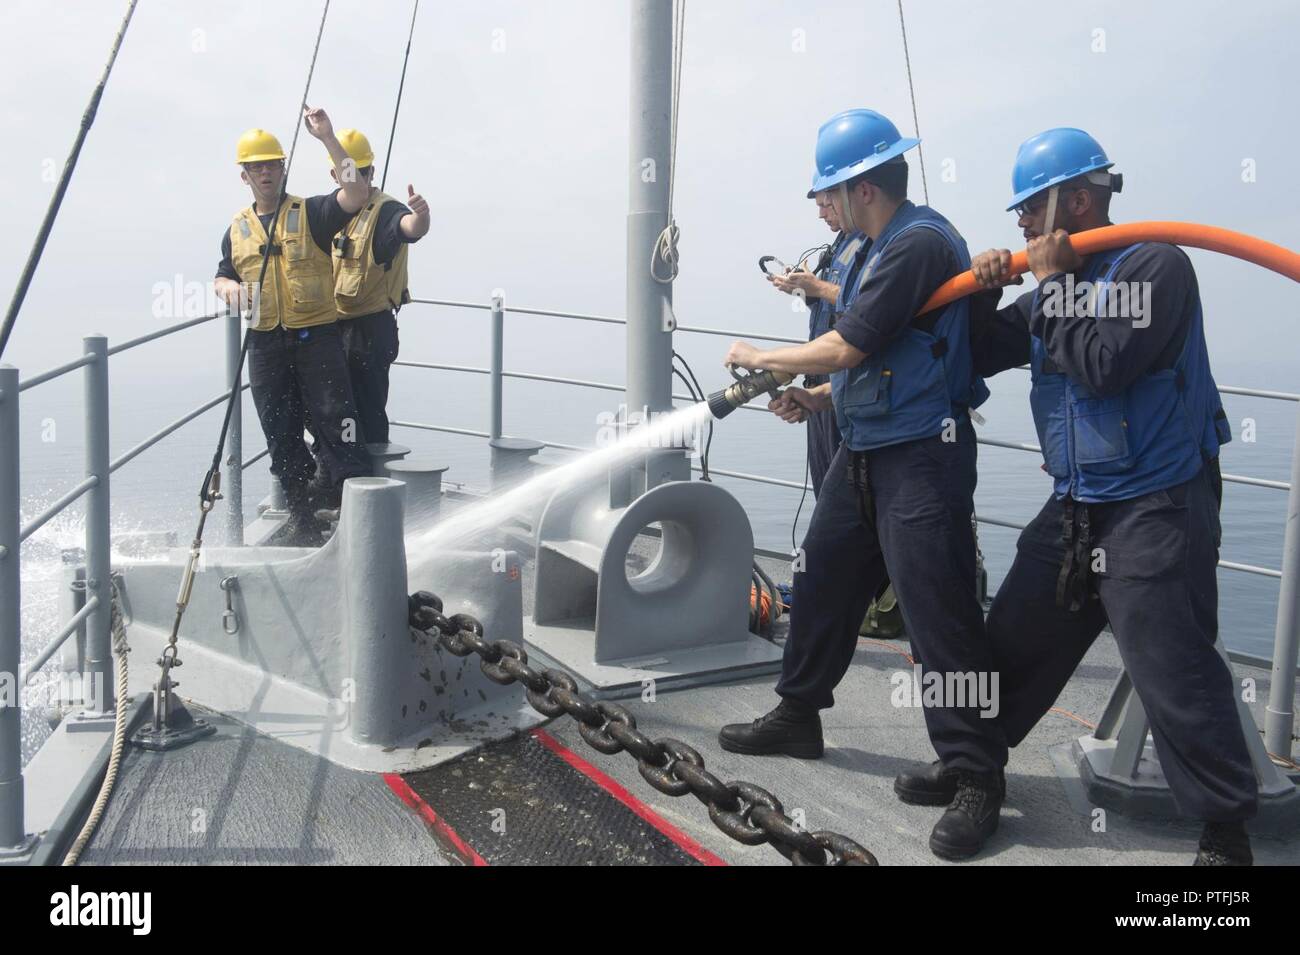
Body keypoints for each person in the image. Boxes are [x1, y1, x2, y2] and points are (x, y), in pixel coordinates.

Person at [717, 108, 1003, 861]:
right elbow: (877, 360)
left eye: (826, 193)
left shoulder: (918, 243)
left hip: (922, 457)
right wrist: (813, 400)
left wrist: (764, 354)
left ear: (863, 187)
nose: (818, 208)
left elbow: (849, 343)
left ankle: (975, 772)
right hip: (869, 448)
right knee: (820, 581)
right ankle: (798, 713)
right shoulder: (872, 247)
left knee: (938, 613)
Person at [967, 127, 1257, 865]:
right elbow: (977, 351)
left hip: (1154, 504)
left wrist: (1053, 283)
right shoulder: (1050, 293)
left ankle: (1225, 835)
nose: (1023, 227)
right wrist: (990, 291)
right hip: (1074, 501)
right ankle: (974, 774)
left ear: (1081, 199)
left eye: (1032, 210)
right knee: (1006, 645)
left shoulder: (1155, 267)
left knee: (1174, 668)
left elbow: (1103, 365)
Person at [214, 109, 372, 546]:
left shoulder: (315, 213)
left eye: (272, 164)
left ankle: (351, 514)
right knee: (279, 432)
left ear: (283, 168)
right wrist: (227, 289)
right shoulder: (237, 228)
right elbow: (222, 272)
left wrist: (326, 138)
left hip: (316, 340)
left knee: (339, 423)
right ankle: (302, 519)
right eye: (256, 166)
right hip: (265, 346)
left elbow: (356, 192)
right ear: (244, 176)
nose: (265, 172)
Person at [328, 128, 430, 450]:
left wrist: (421, 218)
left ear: (372, 172)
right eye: (349, 172)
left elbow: (408, 228)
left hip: (369, 332)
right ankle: (340, 474)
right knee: (333, 410)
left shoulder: (385, 211)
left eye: (363, 172)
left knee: (368, 413)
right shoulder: (331, 212)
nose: (358, 178)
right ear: (335, 174)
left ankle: (371, 486)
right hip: (332, 328)